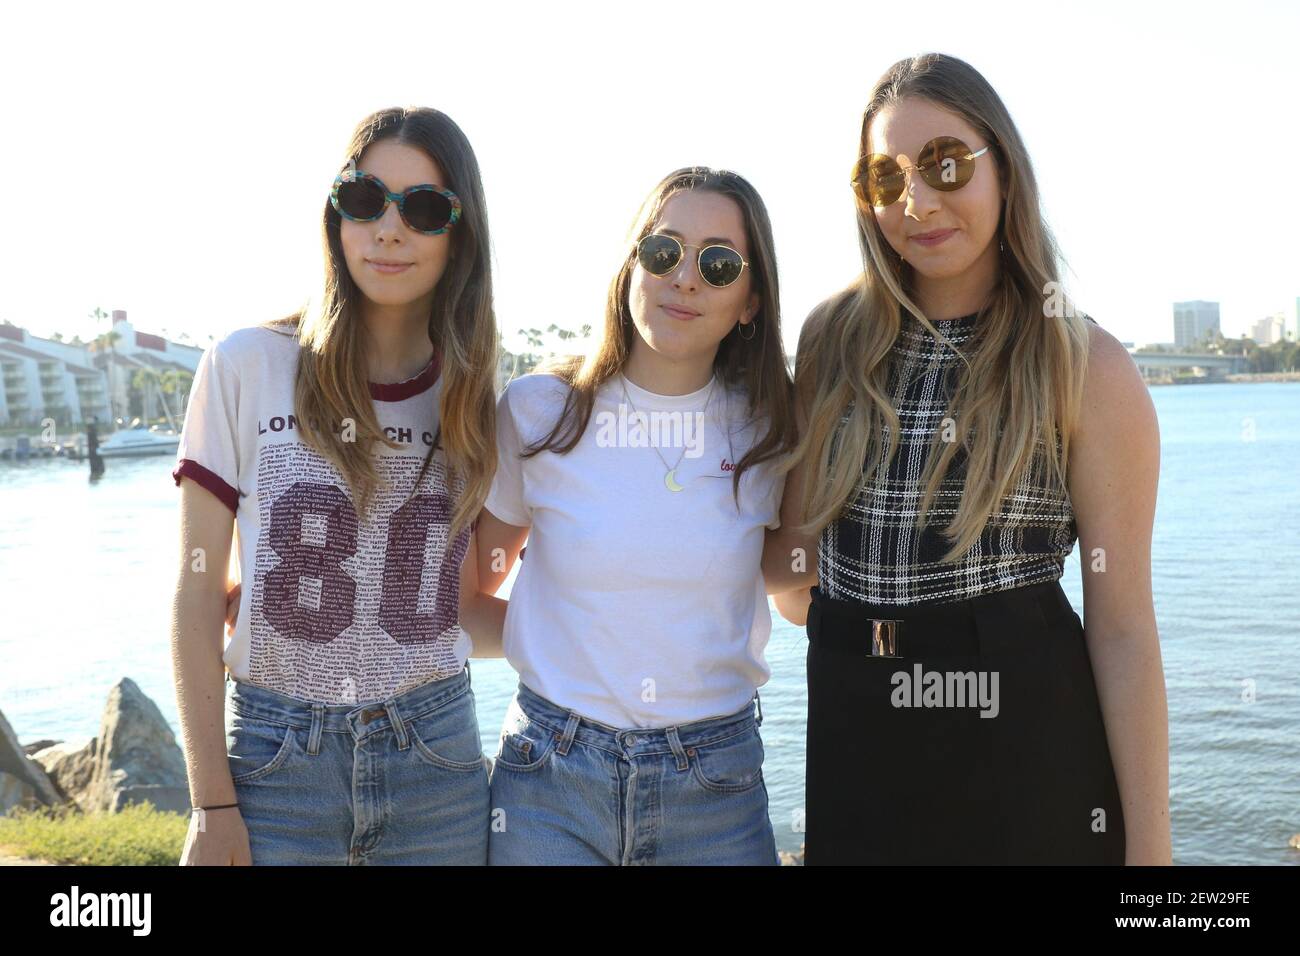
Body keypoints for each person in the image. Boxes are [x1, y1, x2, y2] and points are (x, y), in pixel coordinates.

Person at [764, 53, 1171, 865]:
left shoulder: (1083, 364)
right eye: (885, 178)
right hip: (856, 732)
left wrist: (1151, 852)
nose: (917, 201)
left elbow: (1122, 627)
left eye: (947, 164)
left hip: (1024, 744)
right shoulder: (829, 342)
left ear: (1004, 170)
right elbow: (796, 573)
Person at [171, 106, 500, 865]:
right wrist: (210, 800)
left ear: (460, 236)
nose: (388, 229)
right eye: (364, 199)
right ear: (336, 212)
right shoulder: (247, 365)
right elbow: (195, 591)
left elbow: (458, 606)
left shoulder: (475, 395)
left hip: (438, 762)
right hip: (275, 763)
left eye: (423, 209)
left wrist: (618, 643)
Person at [474, 167, 795, 865]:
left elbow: (796, 597)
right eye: (663, 252)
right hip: (548, 777)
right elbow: (471, 592)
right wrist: (562, 645)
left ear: (750, 301)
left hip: (714, 782)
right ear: (631, 267)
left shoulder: (774, 431)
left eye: (718, 264)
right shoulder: (539, 412)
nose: (684, 278)